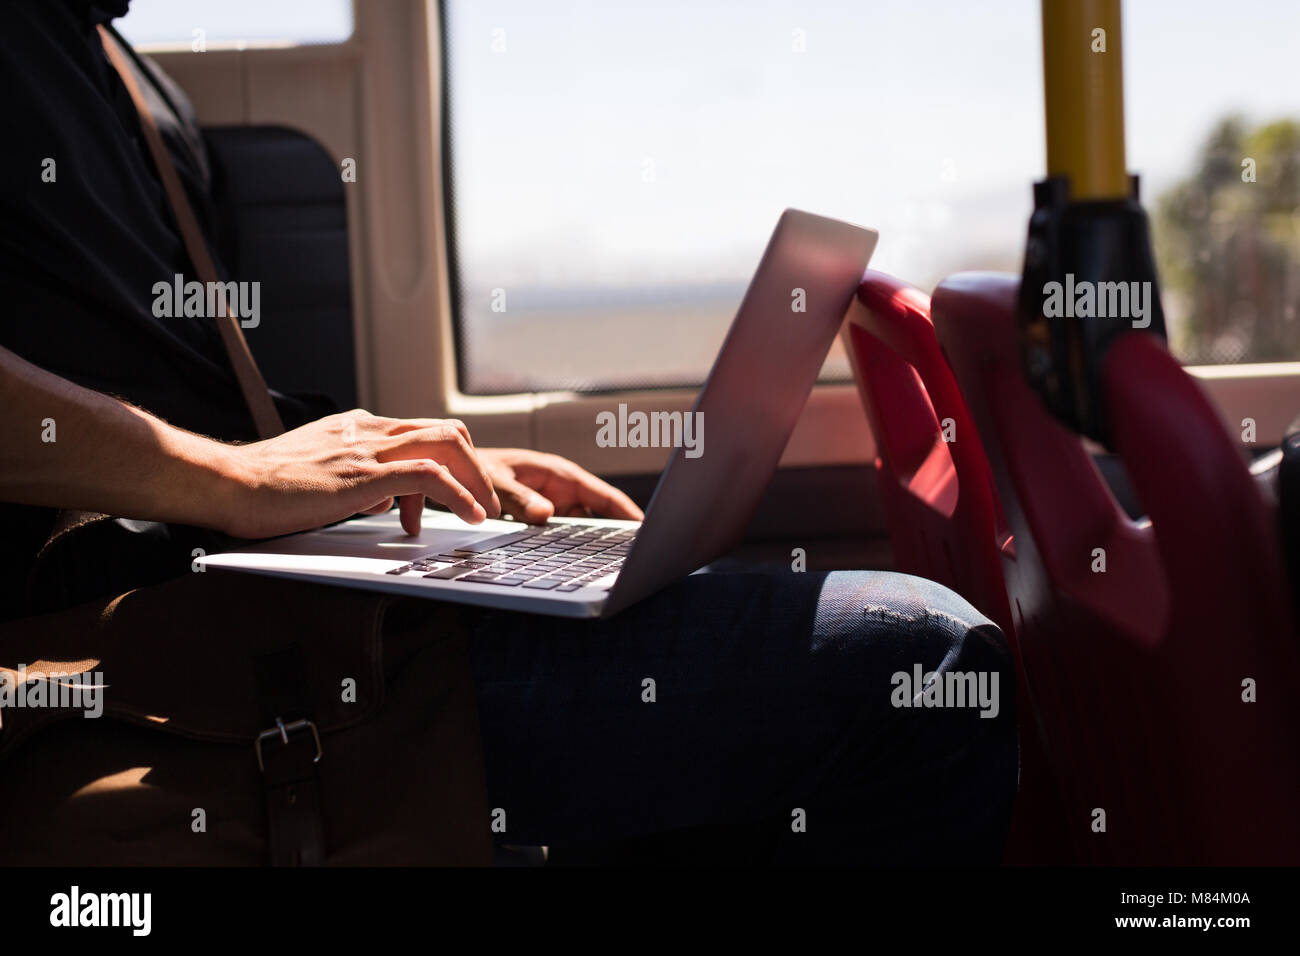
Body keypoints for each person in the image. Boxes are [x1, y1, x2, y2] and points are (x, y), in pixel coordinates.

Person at [0, 0, 1017, 864]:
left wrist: (435, 466)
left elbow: (162, 387)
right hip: (138, 639)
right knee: (922, 666)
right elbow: (209, 461)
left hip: (279, 593)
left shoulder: (120, 75)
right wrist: (229, 477)